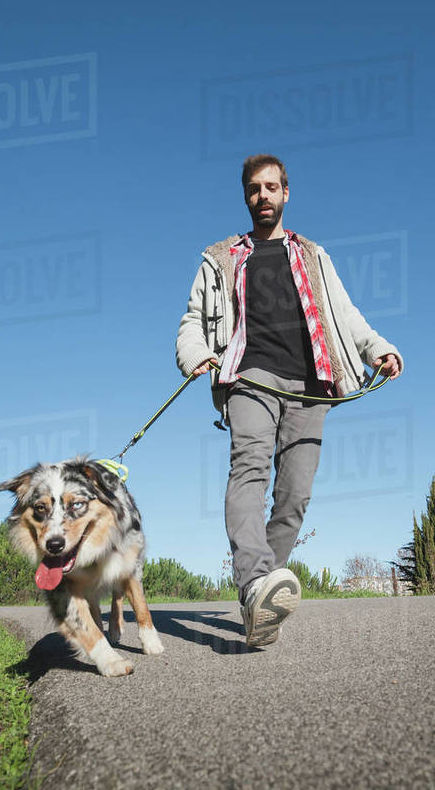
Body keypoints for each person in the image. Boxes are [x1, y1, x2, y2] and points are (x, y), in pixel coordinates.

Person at [176, 154, 403, 648]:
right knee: (250, 469)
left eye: (272, 187)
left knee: (295, 494)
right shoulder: (221, 258)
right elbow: (194, 319)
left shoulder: (314, 255)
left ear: (285, 194)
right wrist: (194, 353)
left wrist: (379, 348)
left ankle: (262, 604)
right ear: (246, 196)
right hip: (249, 375)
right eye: (255, 189)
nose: (264, 196)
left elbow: (346, 314)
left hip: (311, 382)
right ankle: (256, 580)